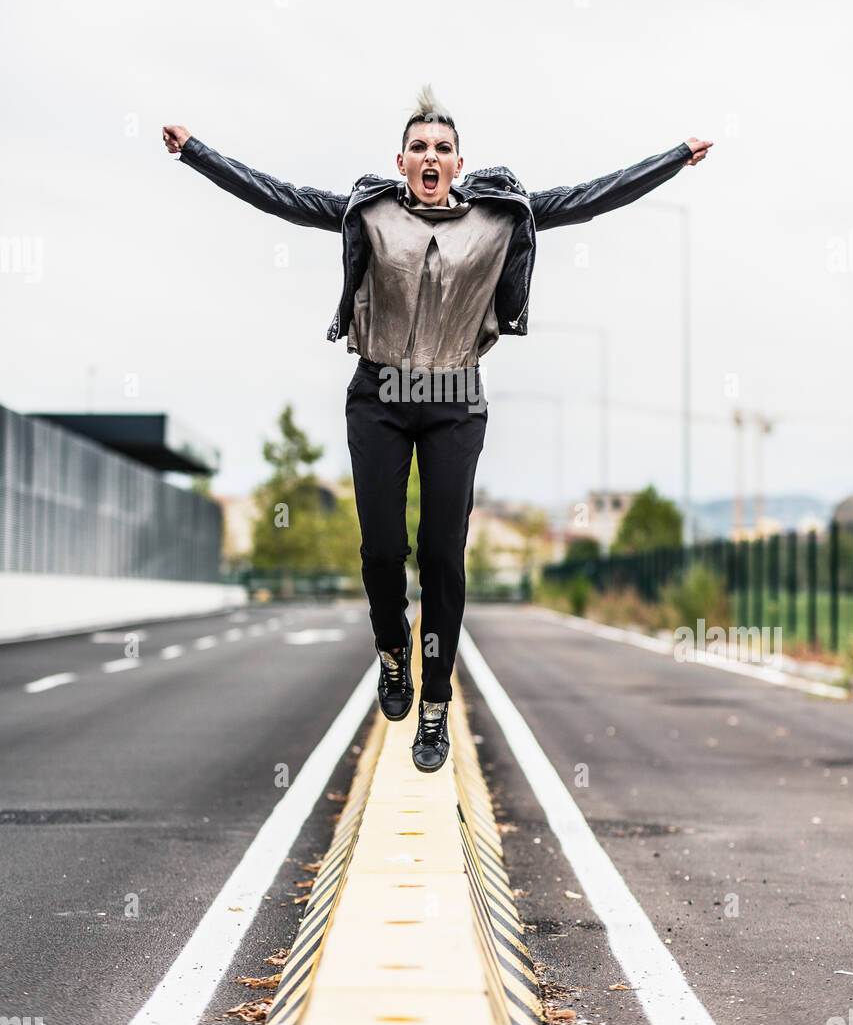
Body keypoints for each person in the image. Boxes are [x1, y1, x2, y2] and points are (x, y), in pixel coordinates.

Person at [163, 88, 711, 772]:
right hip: (380, 394)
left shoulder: (500, 215)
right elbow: (280, 196)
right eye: (418, 146)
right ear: (401, 160)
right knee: (383, 547)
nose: (430, 156)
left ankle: (433, 705)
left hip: (454, 396)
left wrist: (671, 161)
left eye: (442, 148)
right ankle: (392, 653)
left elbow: (590, 197)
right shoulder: (370, 212)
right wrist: (196, 155)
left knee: (443, 554)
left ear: (458, 162)